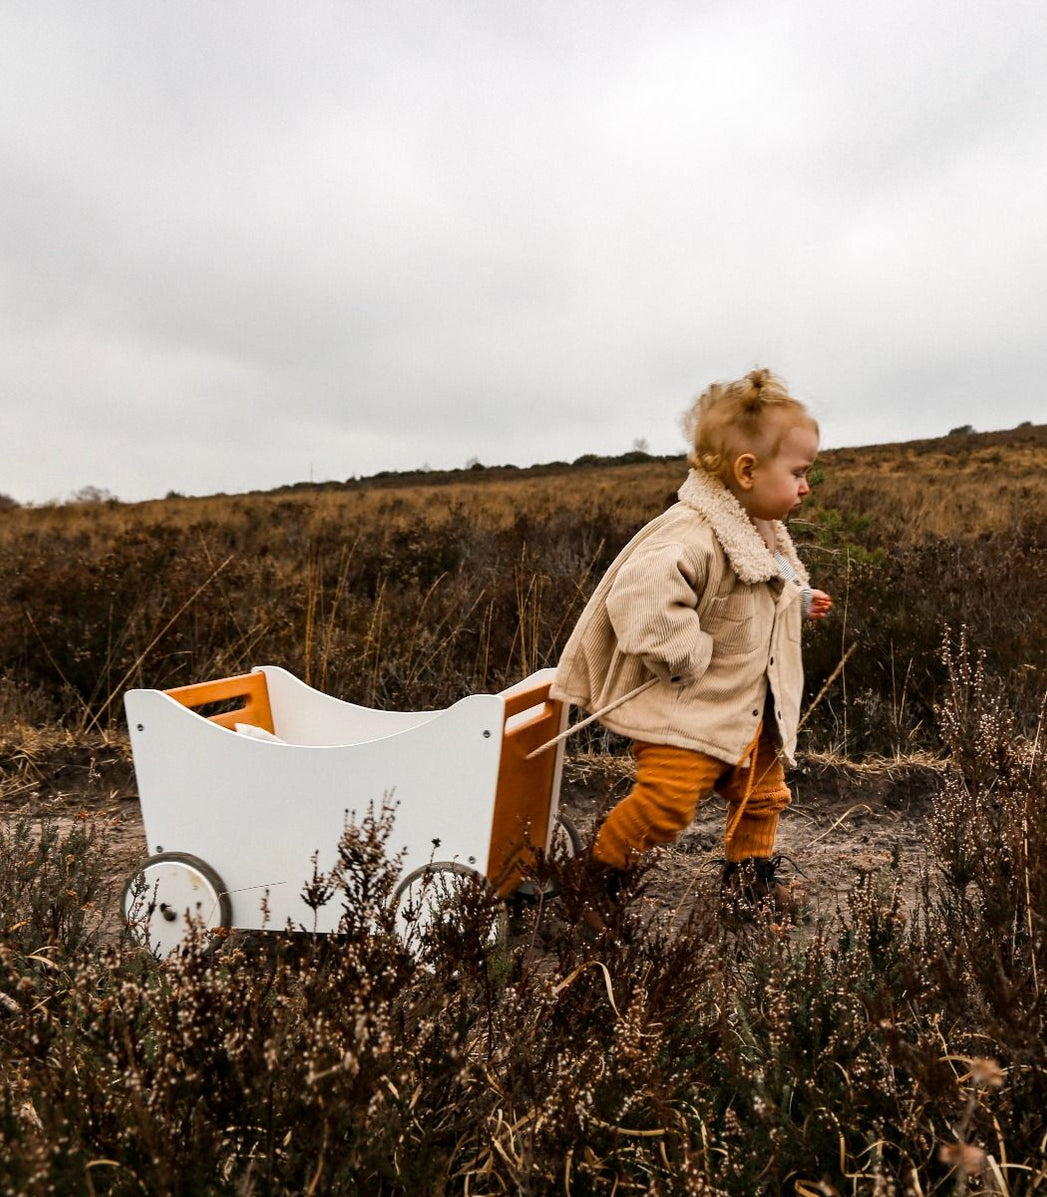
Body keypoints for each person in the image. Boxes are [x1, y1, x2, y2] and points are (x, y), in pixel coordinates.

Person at [551, 368, 832, 926]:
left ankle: (746, 884)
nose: (806, 486)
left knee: (762, 795)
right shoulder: (694, 533)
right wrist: (687, 653)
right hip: (692, 707)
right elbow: (644, 598)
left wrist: (798, 601)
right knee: (666, 803)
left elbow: (761, 590)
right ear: (746, 470)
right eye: (799, 472)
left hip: (751, 704)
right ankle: (599, 881)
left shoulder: (757, 529)